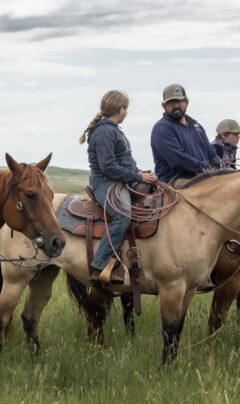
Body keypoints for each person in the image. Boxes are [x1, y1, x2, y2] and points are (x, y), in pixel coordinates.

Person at [79, 91, 157, 284]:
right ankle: (99, 265)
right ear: (121, 109)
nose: (126, 113)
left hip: (119, 180)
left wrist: (138, 173)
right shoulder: (105, 131)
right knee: (122, 216)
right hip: (106, 182)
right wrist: (138, 176)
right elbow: (108, 166)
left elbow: (121, 160)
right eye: (126, 109)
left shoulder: (112, 129)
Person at [150, 84, 220, 183]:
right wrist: (206, 168)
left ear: (186, 102)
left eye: (179, 101)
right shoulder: (162, 128)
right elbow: (177, 160)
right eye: (171, 102)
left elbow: (211, 152)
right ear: (164, 105)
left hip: (203, 177)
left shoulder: (196, 126)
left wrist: (222, 168)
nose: (176, 106)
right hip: (176, 181)